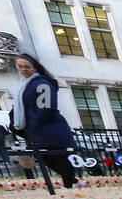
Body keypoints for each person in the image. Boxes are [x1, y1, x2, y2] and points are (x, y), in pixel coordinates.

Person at [10, 53, 78, 188]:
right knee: (46, 157)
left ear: (35, 68)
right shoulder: (25, 84)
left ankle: (70, 184)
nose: (24, 70)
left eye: (27, 67)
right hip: (39, 129)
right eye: (20, 67)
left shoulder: (43, 84)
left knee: (57, 157)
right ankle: (72, 182)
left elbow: (47, 107)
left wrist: (34, 123)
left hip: (49, 128)